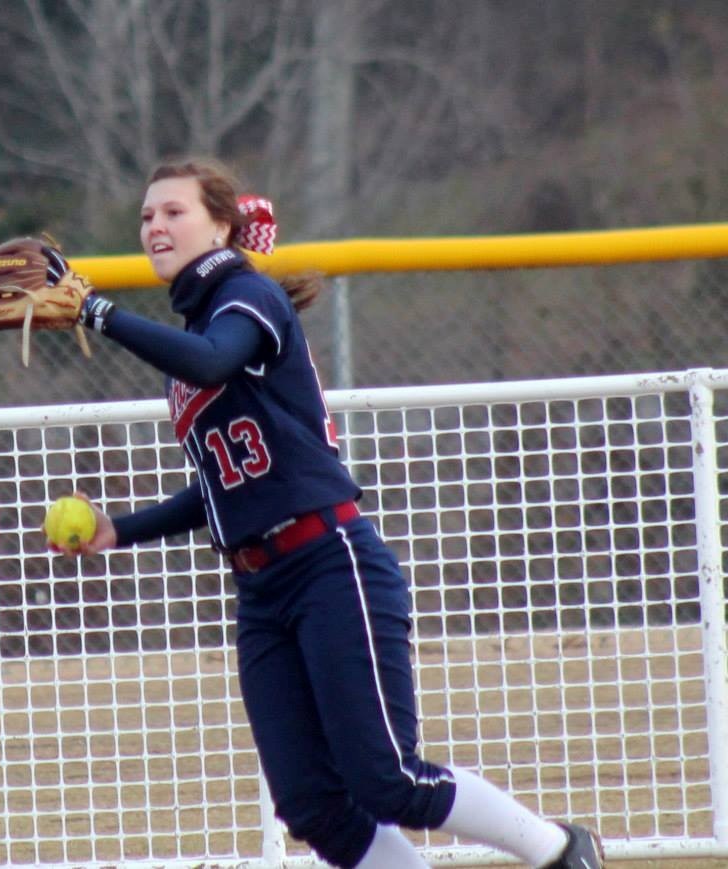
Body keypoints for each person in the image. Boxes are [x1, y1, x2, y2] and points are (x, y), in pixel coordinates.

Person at [56, 157, 606, 869]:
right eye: (146, 215)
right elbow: (223, 483)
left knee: (387, 779)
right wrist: (119, 529)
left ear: (221, 225)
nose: (154, 224)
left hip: (329, 563)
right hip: (262, 591)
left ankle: (561, 850)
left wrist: (98, 311)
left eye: (173, 211)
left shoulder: (247, 296)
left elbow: (213, 361)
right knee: (313, 804)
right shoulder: (190, 340)